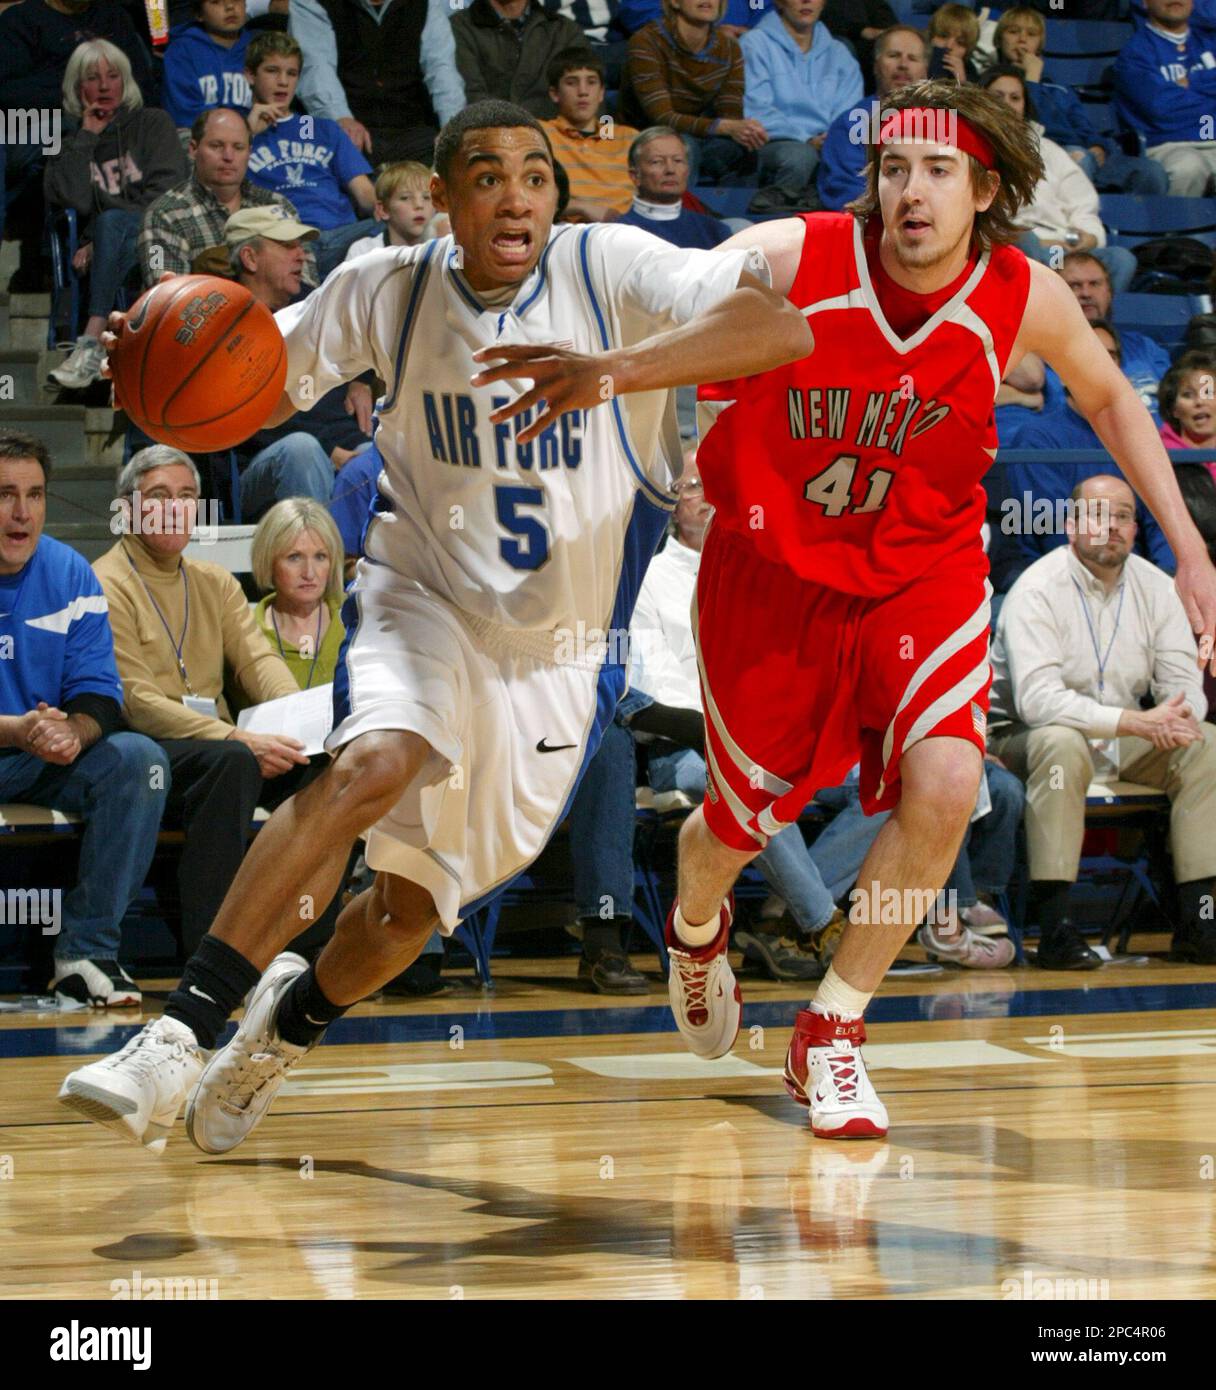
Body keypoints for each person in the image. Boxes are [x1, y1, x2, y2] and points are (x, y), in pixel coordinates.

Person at [58, 98, 811, 1155]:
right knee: (370, 761)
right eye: (489, 176)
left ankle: (286, 1026)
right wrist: (150, 351)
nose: (516, 195)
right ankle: (178, 1030)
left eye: (536, 176)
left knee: (404, 916)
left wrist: (609, 372)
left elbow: (779, 329)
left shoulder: (612, 269)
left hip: (555, 657)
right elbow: (245, 376)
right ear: (447, 200)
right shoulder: (386, 286)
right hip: (419, 596)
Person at [665, 78, 1216, 1141]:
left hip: (920, 568)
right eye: (891, 169)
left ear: (986, 187)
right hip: (774, 574)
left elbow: (1106, 396)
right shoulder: (796, 255)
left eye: (935, 170)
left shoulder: (1021, 291)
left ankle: (832, 1026)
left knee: (952, 777)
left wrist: (1188, 546)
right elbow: (666, 303)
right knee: (734, 823)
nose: (908, 192)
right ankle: (695, 929)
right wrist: (659, 431)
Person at [92, 446, 327, 958]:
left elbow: (258, 663)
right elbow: (136, 700)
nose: (174, 509)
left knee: (322, 764)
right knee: (233, 764)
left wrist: (302, 723)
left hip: (224, 750)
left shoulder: (213, 581)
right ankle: (212, 954)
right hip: (150, 752)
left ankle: (307, 945)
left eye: (186, 497)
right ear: (128, 508)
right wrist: (238, 736)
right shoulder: (104, 582)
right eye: (159, 497)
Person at [990, 474, 1216, 968]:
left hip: (1122, 734)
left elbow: (1184, 684)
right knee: (1061, 744)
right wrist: (1135, 724)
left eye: (1122, 516)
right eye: (1097, 514)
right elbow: (1037, 702)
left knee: (1208, 745)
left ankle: (1200, 920)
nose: (1110, 526)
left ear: (1135, 529)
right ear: (1071, 525)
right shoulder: (1037, 589)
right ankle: (1056, 930)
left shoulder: (1159, 587)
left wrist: (1176, 719)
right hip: (1018, 739)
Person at [630, 448, 839, 979]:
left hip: (776, 740)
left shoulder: (770, 570)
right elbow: (651, 687)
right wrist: (727, 735)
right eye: (694, 487)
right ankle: (822, 923)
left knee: (888, 783)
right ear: (672, 505)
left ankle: (781, 914)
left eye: (718, 484)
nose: (708, 498)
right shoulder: (648, 579)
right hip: (688, 747)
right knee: (747, 784)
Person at [0, 431, 167, 1008]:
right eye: (5, 495)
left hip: (35, 759)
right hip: (16, 742)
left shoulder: (71, 574)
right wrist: (17, 728)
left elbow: (100, 696)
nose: (22, 512)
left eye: (36, 495)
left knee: (140, 762)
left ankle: (85, 953)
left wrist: (73, 731)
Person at [44, 39, 188, 390]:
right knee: (111, 224)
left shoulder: (153, 122)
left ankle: (91, 340)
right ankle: (102, 349)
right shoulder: (65, 136)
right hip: (116, 244)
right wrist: (86, 138)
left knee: (112, 222)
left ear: (126, 81)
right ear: (78, 88)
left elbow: (165, 195)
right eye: (93, 78)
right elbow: (72, 199)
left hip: (161, 237)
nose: (105, 85)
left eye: (113, 76)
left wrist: (95, 237)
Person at [1000, 320, 1176, 583]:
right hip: (1060, 579)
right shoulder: (1037, 439)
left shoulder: (1139, 436)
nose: (1101, 365)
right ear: (1063, 369)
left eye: (1110, 356)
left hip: (1135, 575)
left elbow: (1160, 521)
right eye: (1090, 354)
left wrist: (1166, 582)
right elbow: (1051, 528)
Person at [225, 205, 374, 516]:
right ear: (250, 258)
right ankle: (319, 561)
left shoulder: (313, 303)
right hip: (266, 462)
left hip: (345, 445)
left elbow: (361, 343)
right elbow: (245, 420)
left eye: (301, 245)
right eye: (286, 246)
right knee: (303, 450)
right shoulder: (227, 323)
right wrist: (331, 453)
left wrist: (363, 378)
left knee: (386, 456)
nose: (301, 255)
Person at [0, 0, 156, 291]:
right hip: (31, 125)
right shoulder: (20, 20)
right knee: (69, 137)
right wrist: (76, 93)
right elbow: (9, 93)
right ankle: (48, 260)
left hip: (109, 124)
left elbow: (141, 82)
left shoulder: (113, 17)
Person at [980, 66, 1138, 295]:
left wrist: (1087, 238)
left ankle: (1086, 324)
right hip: (1022, 250)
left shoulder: (1050, 151)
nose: (1007, 103)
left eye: (1015, 98)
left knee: (1121, 259)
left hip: (1065, 250)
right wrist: (1042, 244)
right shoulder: (971, 153)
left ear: (1024, 107)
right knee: (1026, 241)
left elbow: (1084, 206)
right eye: (997, 96)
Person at [993, 4, 1168, 195]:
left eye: (1031, 34)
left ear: (1040, 45)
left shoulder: (1059, 89)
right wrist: (1031, 81)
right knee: (1078, 160)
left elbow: (1083, 125)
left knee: (1151, 172)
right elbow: (1025, 128)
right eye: (1013, 32)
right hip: (1043, 157)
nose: (1022, 40)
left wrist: (1097, 145)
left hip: (1085, 154)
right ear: (999, 40)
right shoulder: (993, 86)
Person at [243, 30, 377, 278]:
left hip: (343, 235)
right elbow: (218, 191)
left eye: (291, 73)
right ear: (250, 75)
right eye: (272, 71)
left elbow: (366, 195)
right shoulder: (237, 132)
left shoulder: (318, 127)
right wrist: (248, 134)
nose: (283, 81)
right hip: (284, 240)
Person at [137, 107, 317, 286]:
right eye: (216, 146)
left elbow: (308, 284)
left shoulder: (278, 206)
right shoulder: (163, 215)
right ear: (193, 149)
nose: (228, 156)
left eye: (238, 147)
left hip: (282, 313)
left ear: (249, 153)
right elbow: (163, 291)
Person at [289, 0, 466, 165]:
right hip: (346, 126)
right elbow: (316, 68)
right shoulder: (314, 3)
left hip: (412, 130)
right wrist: (340, 118)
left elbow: (442, 70)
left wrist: (451, 125)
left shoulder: (425, 4)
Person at [739, 0, 863, 214]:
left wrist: (832, 138)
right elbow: (757, 108)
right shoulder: (754, 43)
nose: (806, 0)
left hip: (829, 141)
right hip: (776, 140)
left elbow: (850, 110)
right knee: (800, 157)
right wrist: (806, 139)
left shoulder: (839, 52)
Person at [619, 0, 760, 186]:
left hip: (698, 133)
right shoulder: (646, 41)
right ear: (675, 2)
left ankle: (732, 213)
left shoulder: (729, 47)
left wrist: (745, 130)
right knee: (681, 148)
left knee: (747, 146)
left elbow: (730, 113)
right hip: (644, 134)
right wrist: (724, 127)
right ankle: (679, 212)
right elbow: (662, 117)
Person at [818, 24, 929, 212]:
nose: (903, 64)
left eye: (913, 58)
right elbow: (847, 194)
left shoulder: (945, 124)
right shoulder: (850, 125)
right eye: (893, 56)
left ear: (925, 69)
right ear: (876, 65)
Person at [1114, 0, 1216, 197]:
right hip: (1170, 146)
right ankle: (1176, 228)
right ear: (1144, 3)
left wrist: (1193, 81)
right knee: (1188, 167)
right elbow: (1162, 110)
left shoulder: (1209, 43)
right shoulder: (1135, 55)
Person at [249, 498, 346, 695]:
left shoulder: (354, 615)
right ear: (269, 561)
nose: (309, 573)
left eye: (320, 557)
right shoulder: (249, 634)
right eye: (294, 557)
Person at [542, 49, 639, 222]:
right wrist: (582, 207)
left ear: (601, 93)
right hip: (567, 231)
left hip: (629, 232)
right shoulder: (541, 134)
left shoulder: (628, 137)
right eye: (572, 83)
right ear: (555, 94)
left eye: (591, 82)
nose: (583, 91)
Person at [452, 0, 591, 120]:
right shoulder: (459, 28)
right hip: (490, 139)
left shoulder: (565, 31)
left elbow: (590, 98)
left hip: (556, 140)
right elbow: (472, 96)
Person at [618, 128, 730, 248]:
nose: (670, 170)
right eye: (657, 162)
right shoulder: (618, 234)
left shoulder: (715, 231)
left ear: (687, 171)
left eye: (678, 160)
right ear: (635, 176)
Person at [162, 0, 253, 132]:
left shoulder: (261, 48)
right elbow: (182, 112)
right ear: (199, 14)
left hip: (254, 136)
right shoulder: (182, 51)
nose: (230, 6)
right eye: (216, 2)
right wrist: (158, 36)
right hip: (199, 136)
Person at [343, 161, 435, 260]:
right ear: (383, 210)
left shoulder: (444, 247)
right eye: (405, 198)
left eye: (426, 197)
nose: (419, 205)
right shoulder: (364, 252)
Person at [1159, 351, 1216, 472]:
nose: (1199, 402)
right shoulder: (1160, 457)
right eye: (1187, 395)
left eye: (1208, 393)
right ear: (1174, 409)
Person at [926, 3, 981, 85]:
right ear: (932, 36)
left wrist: (962, 81)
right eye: (943, 36)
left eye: (960, 42)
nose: (949, 46)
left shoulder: (970, 71)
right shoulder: (916, 60)